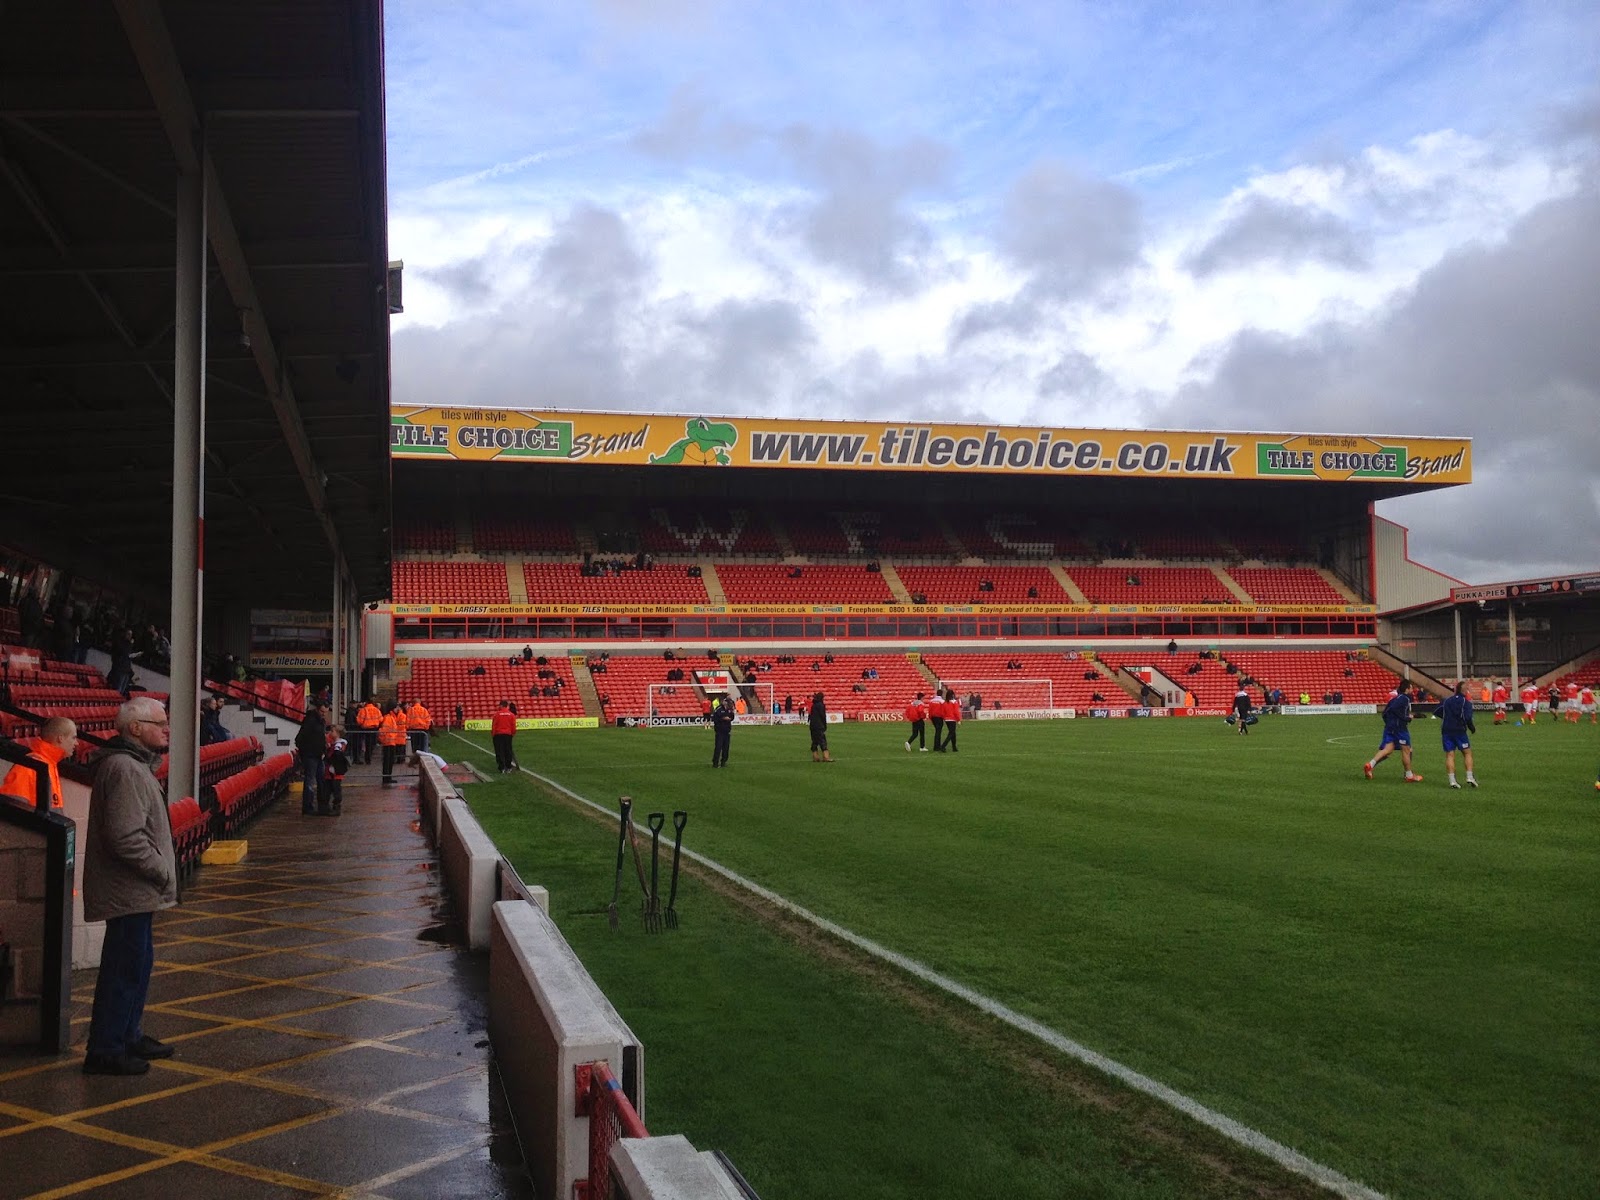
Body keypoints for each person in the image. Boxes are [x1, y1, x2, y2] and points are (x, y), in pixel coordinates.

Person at [82, 697, 177, 1075]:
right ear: (134, 728)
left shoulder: (134, 766)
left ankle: (128, 1034)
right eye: (159, 722)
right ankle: (107, 1047)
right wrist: (162, 872)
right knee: (124, 969)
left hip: (135, 891)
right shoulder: (124, 769)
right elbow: (125, 838)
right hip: (128, 890)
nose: (167, 728)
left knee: (136, 965)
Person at [0, 716, 77, 807]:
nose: (76, 743)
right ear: (60, 738)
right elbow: (11, 813)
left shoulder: (50, 764)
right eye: (73, 738)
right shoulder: (28, 768)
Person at [1364, 680, 1423, 782]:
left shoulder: (1394, 699)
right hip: (1399, 729)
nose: (1412, 690)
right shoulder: (1404, 698)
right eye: (1411, 688)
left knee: (1388, 750)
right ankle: (1409, 776)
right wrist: (1406, 718)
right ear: (1407, 689)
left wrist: (1389, 723)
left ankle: (1370, 764)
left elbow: (1385, 713)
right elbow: (1398, 712)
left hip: (1390, 727)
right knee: (1406, 750)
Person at [1438, 682, 1478, 789]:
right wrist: (1472, 728)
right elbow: (1468, 718)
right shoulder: (1466, 702)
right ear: (1465, 691)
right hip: (1459, 731)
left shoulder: (1447, 701)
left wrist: (1448, 719)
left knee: (1450, 755)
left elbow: (1438, 711)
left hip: (1446, 730)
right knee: (1467, 752)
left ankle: (1452, 781)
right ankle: (1469, 776)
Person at [294, 705, 327, 814]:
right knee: (310, 780)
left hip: (317, 754)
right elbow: (301, 738)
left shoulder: (319, 721)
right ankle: (308, 807)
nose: (324, 714)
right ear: (318, 710)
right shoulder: (311, 721)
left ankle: (321, 805)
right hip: (311, 755)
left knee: (319, 780)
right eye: (322, 711)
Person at [323, 726, 350, 815]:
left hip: (334, 771)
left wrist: (329, 758)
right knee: (329, 789)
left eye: (332, 731)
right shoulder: (335, 744)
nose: (330, 733)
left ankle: (336, 808)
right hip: (331, 771)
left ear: (338, 734)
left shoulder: (338, 745)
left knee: (335, 790)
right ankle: (328, 807)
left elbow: (336, 756)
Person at [491, 700, 518, 773]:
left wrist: (493, 734)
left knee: (499, 751)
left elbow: (494, 725)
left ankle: (502, 767)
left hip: (498, 734)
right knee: (508, 750)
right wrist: (512, 734)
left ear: (501, 705)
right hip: (508, 735)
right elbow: (513, 726)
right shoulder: (511, 715)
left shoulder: (497, 714)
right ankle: (508, 766)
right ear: (507, 706)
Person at [355, 696, 382, 764]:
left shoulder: (363, 710)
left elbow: (359, 721)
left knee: (366, 744)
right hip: (374, 729)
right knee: (372, 744)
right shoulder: (377, 710)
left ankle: (366, 758)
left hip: (365, 729)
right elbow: (381, 719)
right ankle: (369, 757)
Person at [710, 693, 734, 767]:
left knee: (726, 748)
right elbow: (714, 718)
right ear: (724, 702)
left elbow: (732, 717)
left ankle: (724, 762)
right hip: (719, 731)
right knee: (718, 747)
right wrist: (722, 719)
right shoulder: (718, 709)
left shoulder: (730, 710)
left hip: (727, 731)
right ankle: (715, 763)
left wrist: (729, 719)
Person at [808, 691, 832, 762]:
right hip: (819, 726)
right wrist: (824, 725)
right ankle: (826, 757)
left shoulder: (813, 705)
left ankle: (815, 757)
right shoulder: (821, 705)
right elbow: (822, 716)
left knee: (814, 741)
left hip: (812, 725)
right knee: (822, 741)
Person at [940, 688, 961, 753]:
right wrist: (958, 719)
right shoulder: (954, 702)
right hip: (952, 719)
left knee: (953, 733)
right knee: (951, 733)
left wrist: (944, 718)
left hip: (947, 719)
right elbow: (956, 712)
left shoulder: (945, 702)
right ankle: (943, 746)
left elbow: (943, 712)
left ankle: (954, 747)